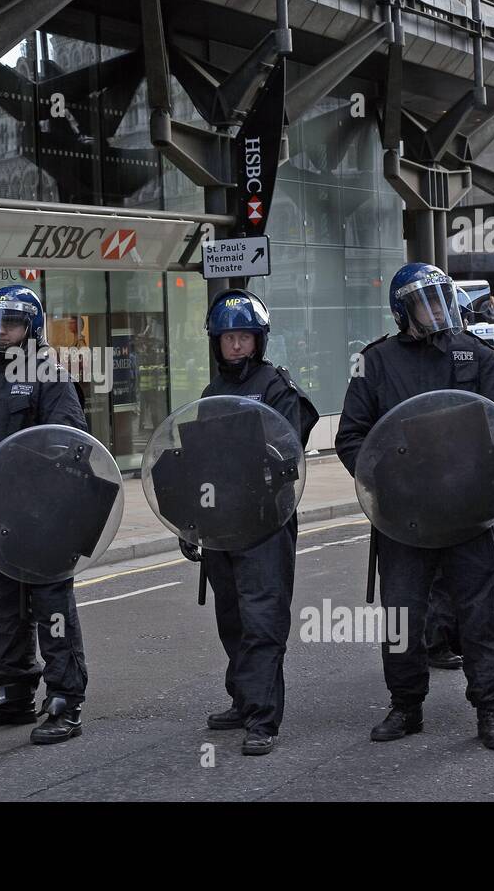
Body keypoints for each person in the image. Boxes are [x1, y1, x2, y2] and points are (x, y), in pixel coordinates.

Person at [335, 263, 494, 749]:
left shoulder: (477, 355)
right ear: (403, 311)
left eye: (442, 298)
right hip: (404, 516)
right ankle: (406, 705)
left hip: (466, 510)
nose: (438, 309)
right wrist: (390, 478)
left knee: (482, 615)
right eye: (426, 301)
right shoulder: (376, 362)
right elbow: (350, 438)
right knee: (402, 616)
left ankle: (491, 710)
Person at [179, 289, 318, 755]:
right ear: (216, 341)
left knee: (262, 619)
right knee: (232, 618)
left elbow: (289, 449)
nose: (236, 346)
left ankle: (263, 719)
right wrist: (190, 520)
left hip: (264, 522)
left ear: (259, 341)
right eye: (228, 338)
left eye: (245, 337)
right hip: (222, 523)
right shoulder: (211, 392)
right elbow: (197, 463)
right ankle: (243, 699)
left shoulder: (276, 385)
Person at [0, 285, 89, 745]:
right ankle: (14, 689)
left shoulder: (50, 375)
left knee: (52, 609)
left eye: (9, 323)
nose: (0, 331)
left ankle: (65, 699)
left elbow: (71, 443)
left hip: (41, 518)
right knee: (3, 608)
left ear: (31, 327)